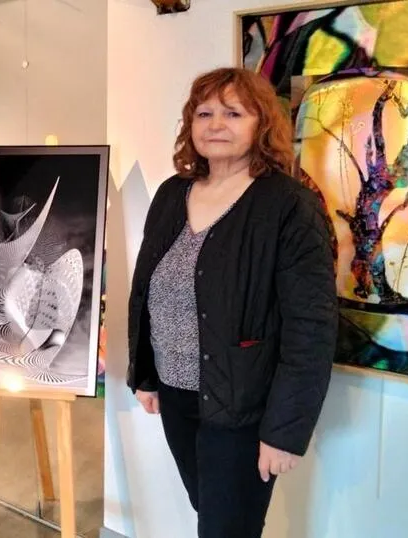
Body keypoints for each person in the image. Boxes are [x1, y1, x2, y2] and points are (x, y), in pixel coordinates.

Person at [125, 66, 338, 537]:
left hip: (243, 406)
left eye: (232, 113)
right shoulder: (171, 194)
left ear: (261, 124)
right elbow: (147, 290)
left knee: (227, 530)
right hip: (177, 398)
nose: (215, 124)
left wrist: (284, 432)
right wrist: (145, 374)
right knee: (213, 516)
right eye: (204, 113)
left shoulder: (288, 206)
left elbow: (312, 327)